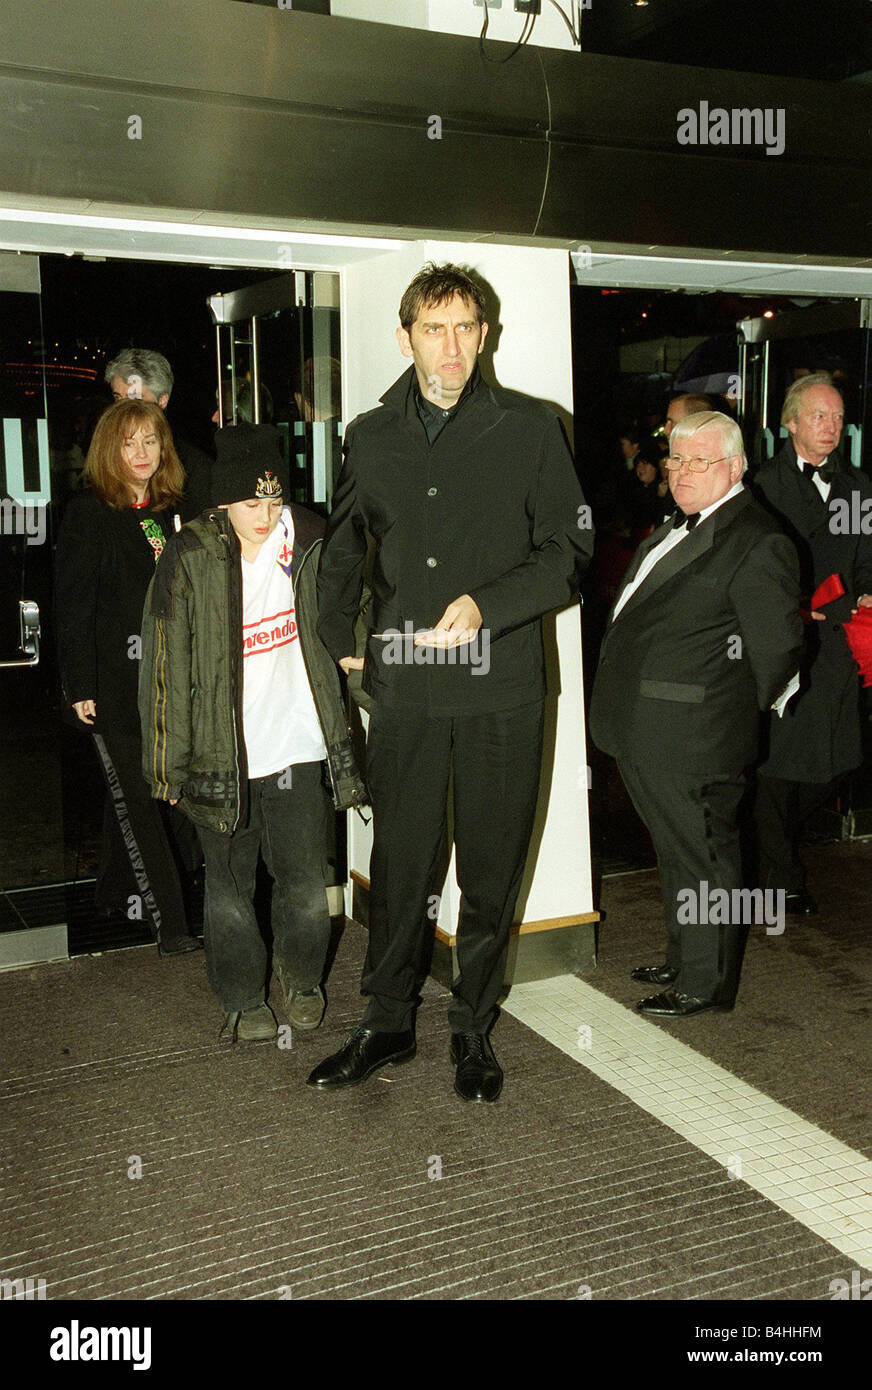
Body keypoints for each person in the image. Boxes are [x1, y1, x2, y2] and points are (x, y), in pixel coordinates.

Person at [308, 261, 592, 1101]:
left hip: (501, 682)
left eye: (467, 327)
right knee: (399, 860)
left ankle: (473, 1027)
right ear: (406, 338)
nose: (453, 346)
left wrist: (487, 604)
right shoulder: (370, 433)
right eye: (435, 329)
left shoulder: (533, 430)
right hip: (409, 684)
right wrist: (340, 638)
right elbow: (346, 548)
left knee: (492, 864)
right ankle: (388, 1022)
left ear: (485, 335)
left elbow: (568, 554)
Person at [138, 424, 367, 1041]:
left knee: (302, 881)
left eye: (274, 501)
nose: (264, 516)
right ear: (221, 502)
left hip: (298, 745)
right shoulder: (189, 558)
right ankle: (242, 997)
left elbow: (355, 613)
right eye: (249, 504)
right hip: (222, 754)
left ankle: (303, 981)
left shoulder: (314, 541)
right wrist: (166, 765)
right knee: (231, 884)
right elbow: (164, 666)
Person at [589, 411, 803, 1016]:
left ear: (735, 468)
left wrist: (728, 710)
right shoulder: (674, 526)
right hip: (648, 730)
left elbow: (779, 647)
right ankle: (687, 954)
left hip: (697, 736)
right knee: (679, 851)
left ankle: (705, 983)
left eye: (699, 461)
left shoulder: (758, 539)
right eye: (677, 459)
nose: (682, 472)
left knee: (706, 856)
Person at [55, 400, 201, 956]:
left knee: (154, 796)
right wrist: (80, 686)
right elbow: (74, 606)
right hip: (113, 686)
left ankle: (114, 894)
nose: (142, 453)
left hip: (166, 684)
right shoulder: (90, 513)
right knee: (138, 802)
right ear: (109, 451)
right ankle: (173, 926)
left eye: (151, 442)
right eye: (129, 443)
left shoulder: (169, 513)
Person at [751, 374, 872, 913]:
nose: (832, 427)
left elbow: (866, 557)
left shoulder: (858, 488)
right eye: (820, 416)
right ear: (791, 422)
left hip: (842, 641)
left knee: (837, 758)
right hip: (787, 639)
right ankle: (782, 879)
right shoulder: (759, 484)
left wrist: (867, 593)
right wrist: (798, 604)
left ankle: (762, 844)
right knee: (778, 764)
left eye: (839, 418)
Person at [105, 348, 215, 519]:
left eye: (135, 400)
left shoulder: (193, 468)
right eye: (118, 398)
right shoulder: (104, 455)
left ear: (162, 401)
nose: (124, 410)